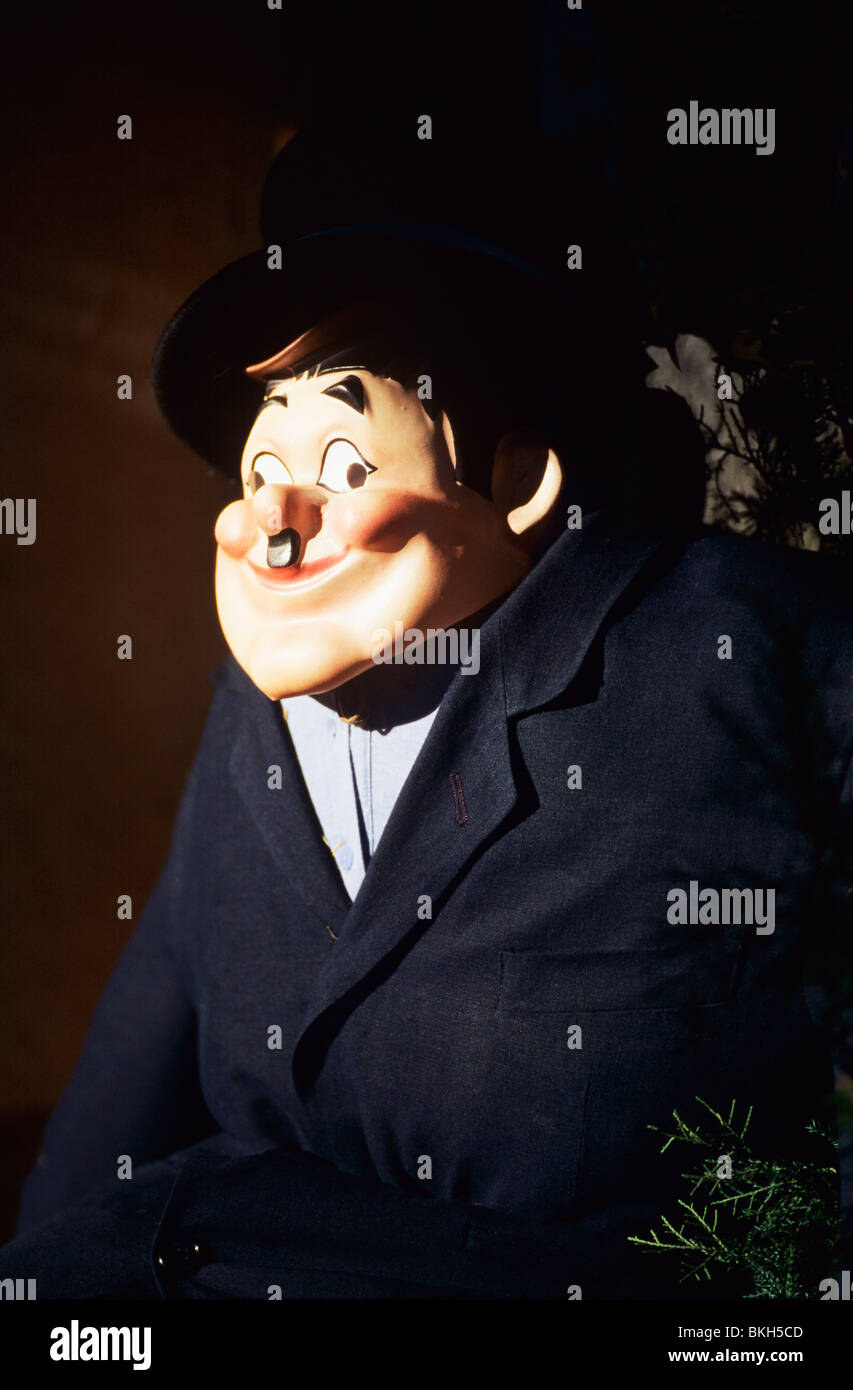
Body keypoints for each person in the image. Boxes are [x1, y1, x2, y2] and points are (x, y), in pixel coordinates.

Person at [2, 124, 851, 1301]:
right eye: (259, 474)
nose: (276, 522)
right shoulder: (256, 716)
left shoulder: (742, 647)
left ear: (518, 481)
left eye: (345, 465)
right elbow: (134, 1069)